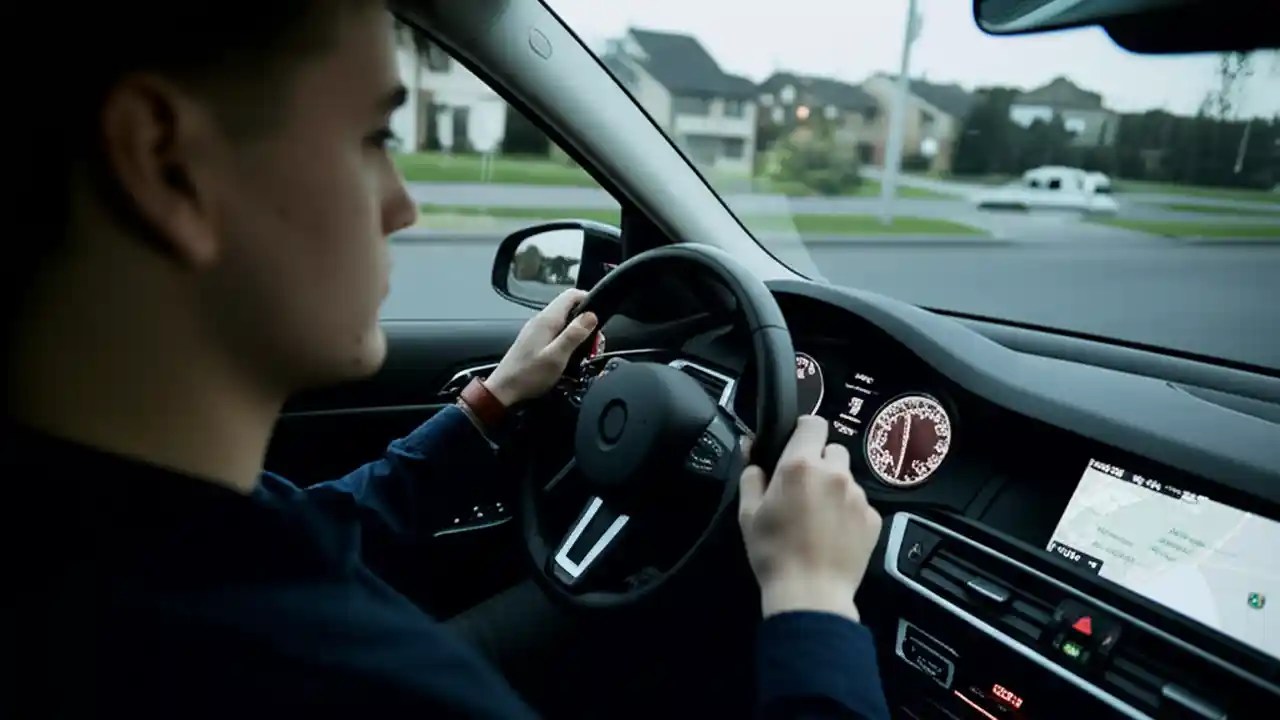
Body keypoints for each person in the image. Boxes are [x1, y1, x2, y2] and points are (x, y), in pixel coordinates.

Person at [4, 2, 890, 717]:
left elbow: (318, 526)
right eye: (374, 141)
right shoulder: (361, 682)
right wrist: (812, 603)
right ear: (166, 164)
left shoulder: (118, 535)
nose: (403, 208)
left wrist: (493, 403)